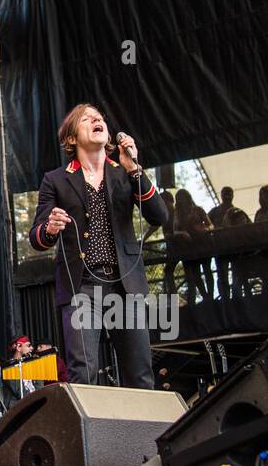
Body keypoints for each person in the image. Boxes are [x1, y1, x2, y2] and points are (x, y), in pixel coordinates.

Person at [28, 104, 168, 388]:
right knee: (84, 373)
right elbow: (37, 237)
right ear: (71, 139)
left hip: (124, 286)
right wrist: (50, 228)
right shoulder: (55, 180)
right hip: (82, 287)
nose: (97, 120)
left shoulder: (124, 173)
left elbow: (159, 215)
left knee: (140, 373)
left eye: (100, 118)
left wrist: (135, 171)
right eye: (87, 119)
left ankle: (141, 434)